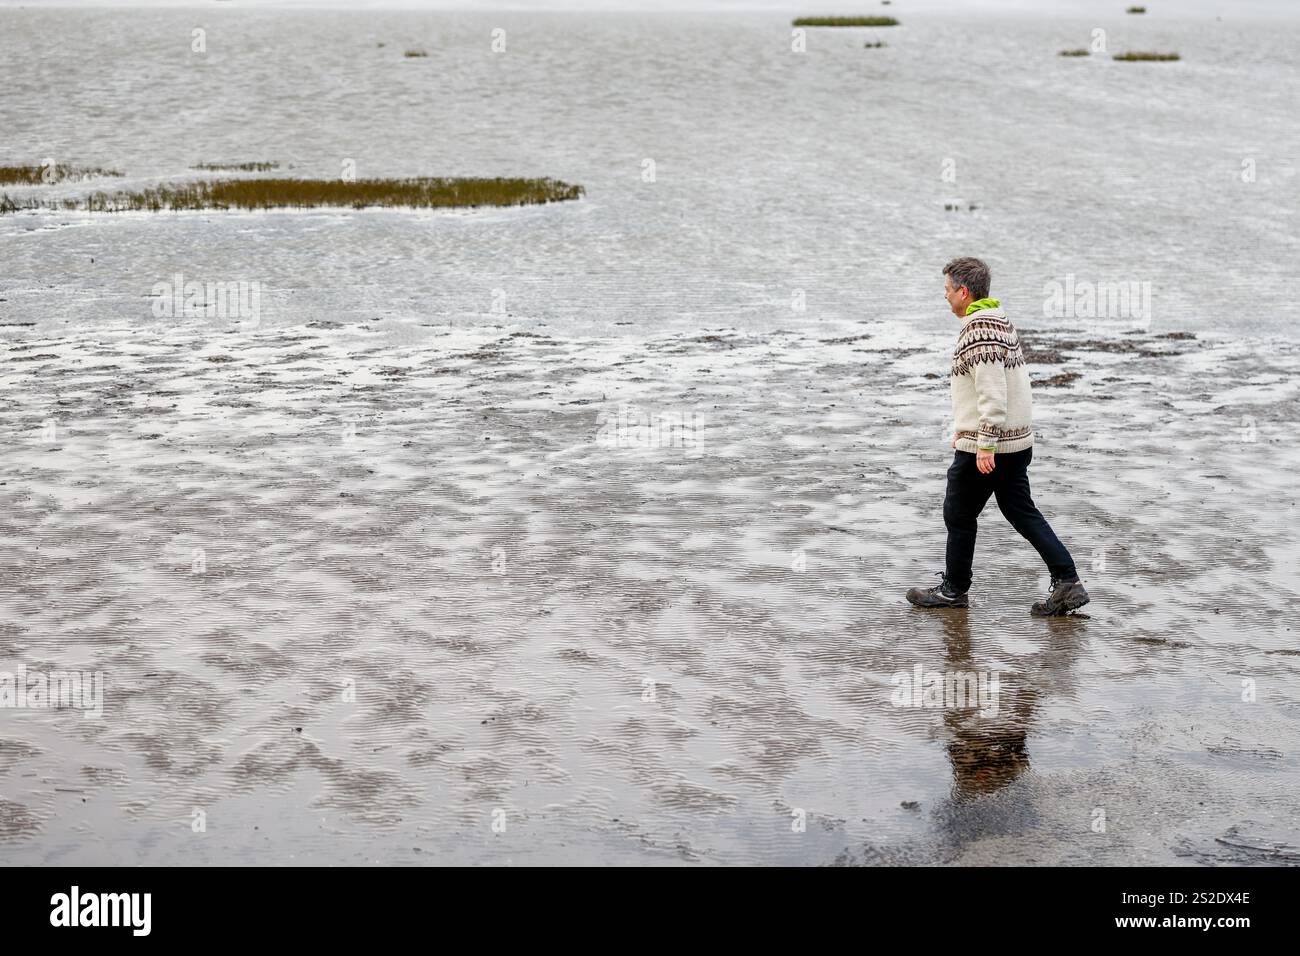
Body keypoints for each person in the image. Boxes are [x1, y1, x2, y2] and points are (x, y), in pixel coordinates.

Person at [906, 257, 1089, 616]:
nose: (944, 297)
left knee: (958, 512)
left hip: (993, 447)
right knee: (1020, 511)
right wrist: (964, 429)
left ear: (964, 291)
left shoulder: (979, 329)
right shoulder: (998, 319)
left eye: (946, 290)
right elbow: (997, 386)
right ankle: (1067, 581)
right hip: (1015, 442)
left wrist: (983, 442)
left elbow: (992, 394)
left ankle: (953, 590)